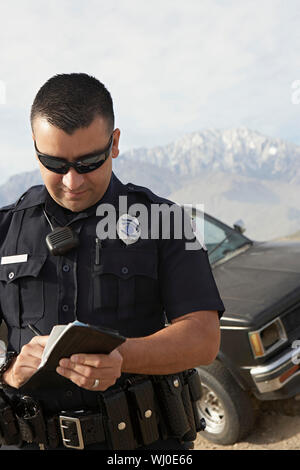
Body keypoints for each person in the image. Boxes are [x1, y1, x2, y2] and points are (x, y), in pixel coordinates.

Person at [0, 73, 224, 450]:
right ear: (35, 148)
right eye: (55, 163)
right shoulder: (4, 229)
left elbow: (203, 338)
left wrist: (123, 356)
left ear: (115, 142)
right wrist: (7, 372)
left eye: (88, 163)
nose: (72, 182)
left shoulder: (165, 221)